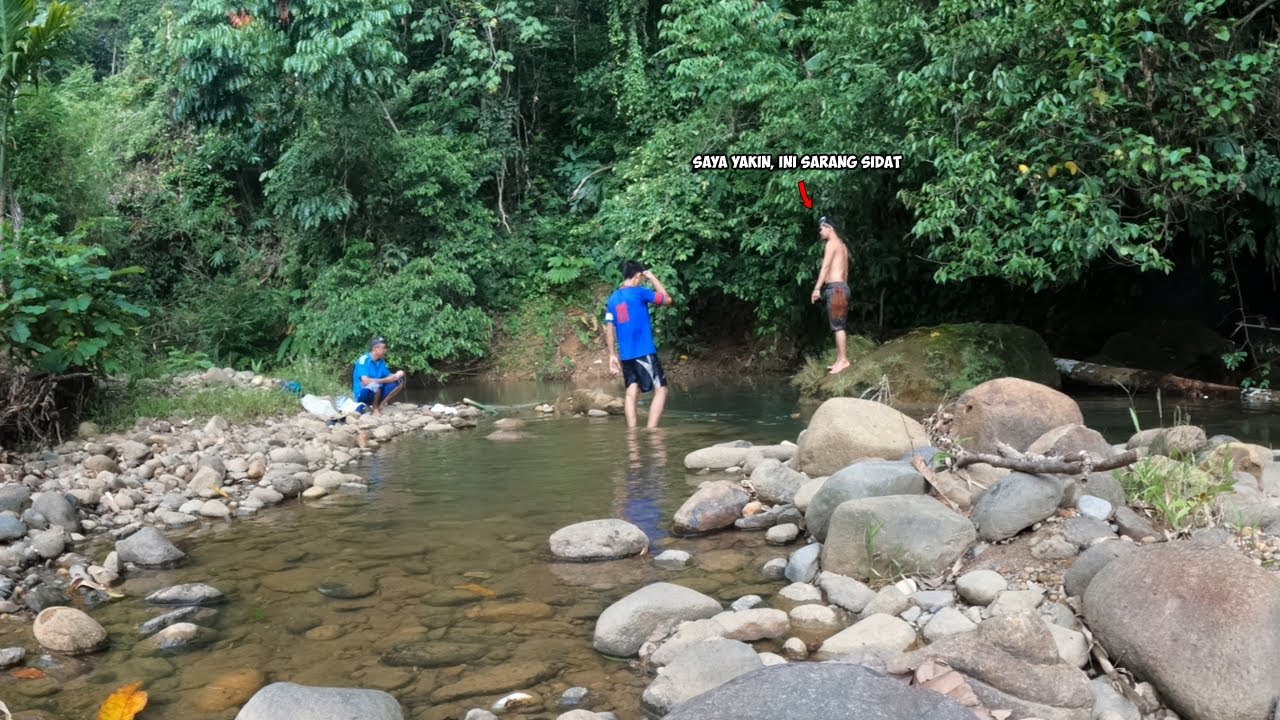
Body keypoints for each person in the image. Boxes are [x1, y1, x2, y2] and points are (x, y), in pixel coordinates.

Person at [604, 260, 674, 428]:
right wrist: (653, 278)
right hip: (644, 352)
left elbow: (608, 327)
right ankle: (651, 430)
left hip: (626, 355)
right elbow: (667, 300)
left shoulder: (613, 299)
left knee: (631, 392)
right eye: (641, 277)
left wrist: (612, 355)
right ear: (637, 276)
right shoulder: (640, 292)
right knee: (661, 389)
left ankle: (632, 433)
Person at [810, 215, 852, 374]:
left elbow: (825, 267)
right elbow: (846, 271)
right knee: (837, 325)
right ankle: (839, 359)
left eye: (821, 228)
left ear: (829, 228)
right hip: (841, 287)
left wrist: (816, 288)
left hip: (836, 289)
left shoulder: (831, 244)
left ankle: (843, 360)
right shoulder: (843, 245)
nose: (820, 232)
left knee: (838, 326)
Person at [351, 337, 406, 415]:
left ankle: (381, 404)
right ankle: (375, 409)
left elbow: (388, 375)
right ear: (375, 348)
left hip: (377, 392)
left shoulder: (380, 361)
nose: (385, 350)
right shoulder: (363, 361)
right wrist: (385, 380)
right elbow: (365, 381)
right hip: (363, 393)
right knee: (375, 385)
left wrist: (398, 374)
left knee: (399, 381)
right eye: (383, 348)